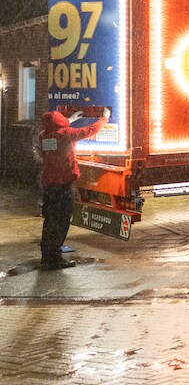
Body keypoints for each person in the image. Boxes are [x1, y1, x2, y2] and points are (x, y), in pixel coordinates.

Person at [38, 107, 108, 270]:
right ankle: (55, 259)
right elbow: (90, 130)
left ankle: (46, 256)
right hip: (63, 185)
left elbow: (54, 132)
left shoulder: (44, 136)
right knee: (62, 221)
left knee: (50, 221)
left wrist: (70, 120)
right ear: (60, 122)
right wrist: (105, 118)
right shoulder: (66, 135)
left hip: (49, 186)